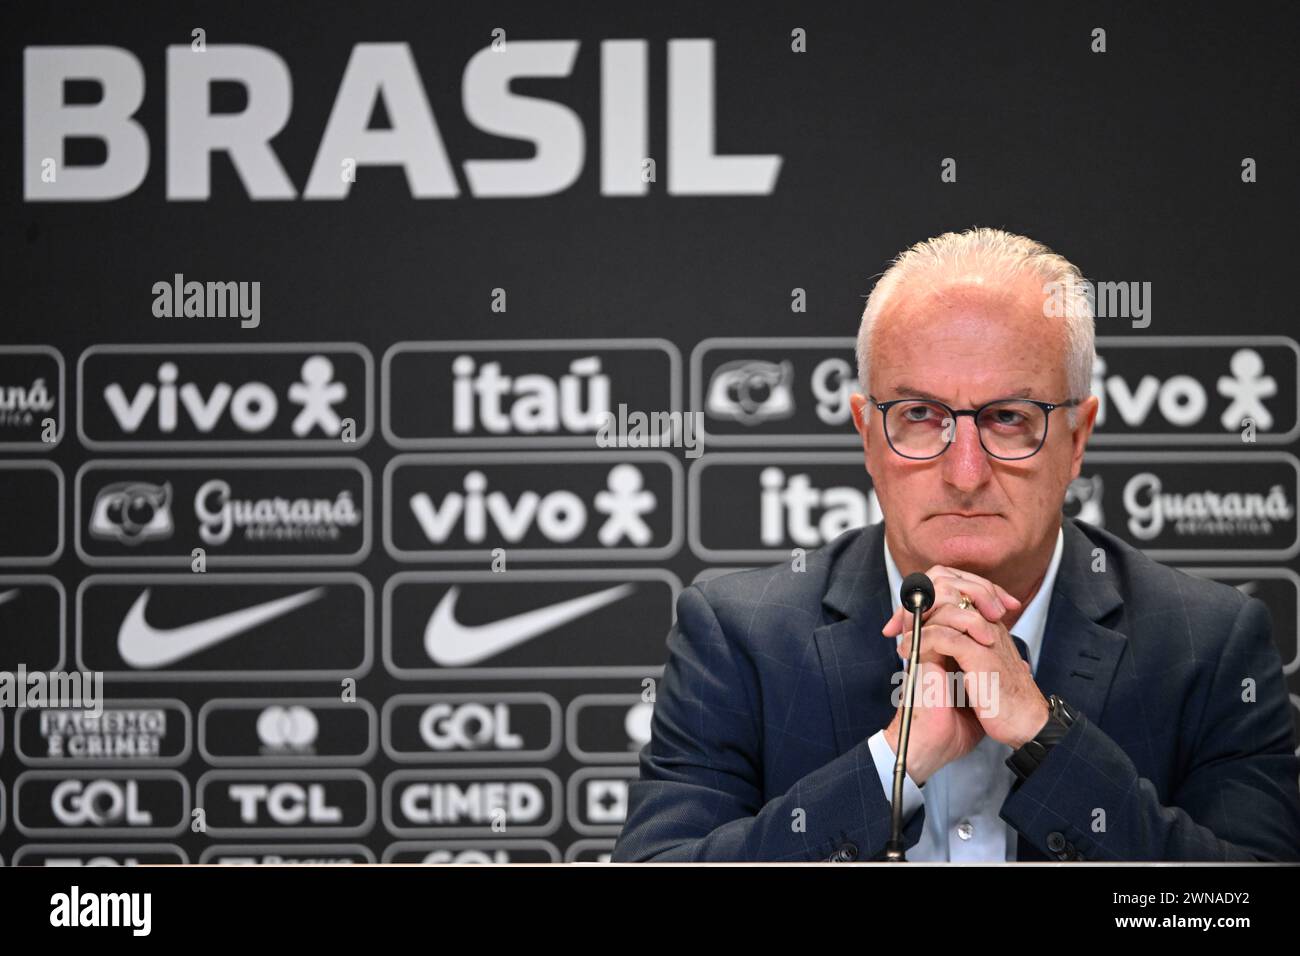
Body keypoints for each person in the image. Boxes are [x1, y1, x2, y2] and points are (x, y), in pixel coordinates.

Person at [612, 227, 1300, 862]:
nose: (965, 473)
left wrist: (1046, 740)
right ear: (867, 434)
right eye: (918, 415)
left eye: (1008, 418)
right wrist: (892, 765)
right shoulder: (739, 636)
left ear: (1078, 438)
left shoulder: (1207, 644)